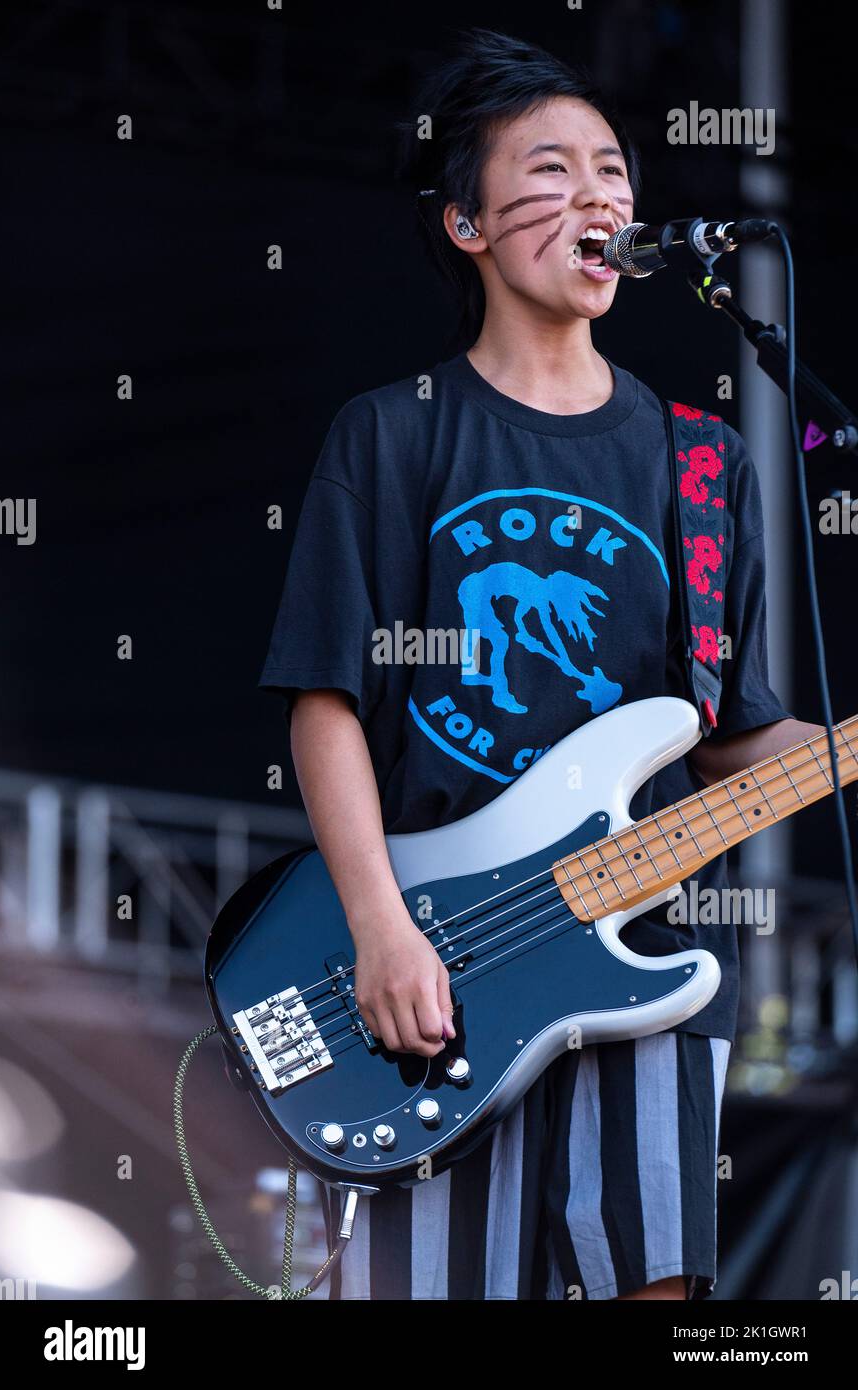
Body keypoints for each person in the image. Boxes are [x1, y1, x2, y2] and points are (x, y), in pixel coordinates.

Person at [259, 29, 820, 1300]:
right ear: (467, 223)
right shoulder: (393, 436)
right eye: (551, 170)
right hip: (438, 957)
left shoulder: (703, 464)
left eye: (612, 170)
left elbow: (729, 732)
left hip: (648, 946)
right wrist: (380, 929)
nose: (599, 195)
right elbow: (325, 700)